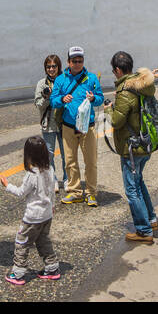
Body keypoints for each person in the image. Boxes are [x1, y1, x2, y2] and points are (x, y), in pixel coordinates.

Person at [108, 51, 158, 244]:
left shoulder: (126, 91)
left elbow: (116, 121)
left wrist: (108, 108)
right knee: (139, 182)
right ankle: (151, 219)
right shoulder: (142, 85)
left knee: (131, 189)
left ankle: (144, 230)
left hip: (132, 147)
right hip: (146, 143)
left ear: (119, 70)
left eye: (114, 71)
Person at [0, 137, 60, 285]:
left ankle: (18, 272)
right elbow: (52, 190)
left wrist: (7, 185)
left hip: (32, 217)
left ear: (29, 156)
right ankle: (52, 268)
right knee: (43, 240)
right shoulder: (50, 169)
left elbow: (21, 192)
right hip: (47, 215)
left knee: (22, 243)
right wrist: (52, 204)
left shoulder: (32, 174)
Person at [52, 46, 103, 205]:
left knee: (90, 161)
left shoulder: (92, 78)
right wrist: (61, 100)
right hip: (68, 126)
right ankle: (74, 191)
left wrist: (94, 98)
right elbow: (53, 101)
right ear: (68, 62)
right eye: (74, 61)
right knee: (70, 160)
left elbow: (101, 98)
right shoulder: (60, 79)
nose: (77, 63)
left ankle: (91, 192)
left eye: (80, 60)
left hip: (88, 126)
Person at [34, 54, 68, 191]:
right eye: (48, 67)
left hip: (64, 123)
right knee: (49, 154)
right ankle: (53, 180)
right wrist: (46, 97)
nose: (51, 69)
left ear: (59, 66)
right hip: (48, 124)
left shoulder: (65, 81)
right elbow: (38, 104)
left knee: (67, 154)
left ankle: (67, 179)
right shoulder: (42, 83)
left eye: (54, 66)